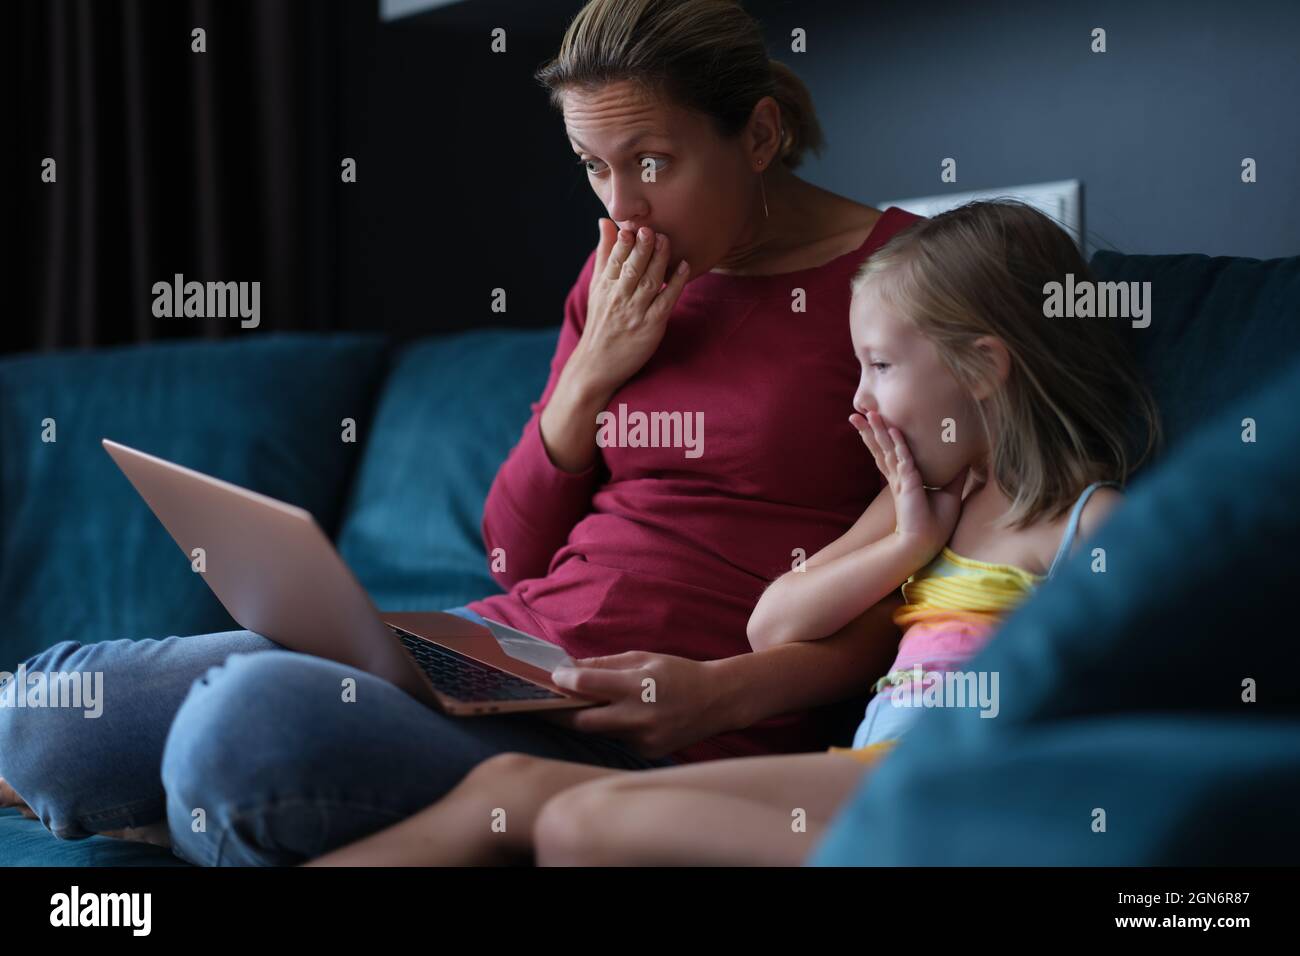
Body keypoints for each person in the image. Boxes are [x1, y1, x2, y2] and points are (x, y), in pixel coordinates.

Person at [0, 0, 924, 865]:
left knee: (242, 726)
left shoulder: (907, 284)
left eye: (649, 163)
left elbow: (946, 573)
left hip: (668, 730)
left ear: (759, 134)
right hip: (500, 653)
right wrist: (593, 370)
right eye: (594, 168)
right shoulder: (615, 281)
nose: (623, 210)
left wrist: (721, 692)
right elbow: (511, 555)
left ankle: (215, 803)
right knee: (51, 712)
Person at [304, 200, 1161, 866]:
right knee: (512, 784)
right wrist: (904, 542)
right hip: (869, 779)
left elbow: (1148, 705)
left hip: (955, 800)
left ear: (984, 365)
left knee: (581, 824)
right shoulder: (929, 504)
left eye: (882, 366)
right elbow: (771, 625)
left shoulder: (1092, 526)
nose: (857, 399)